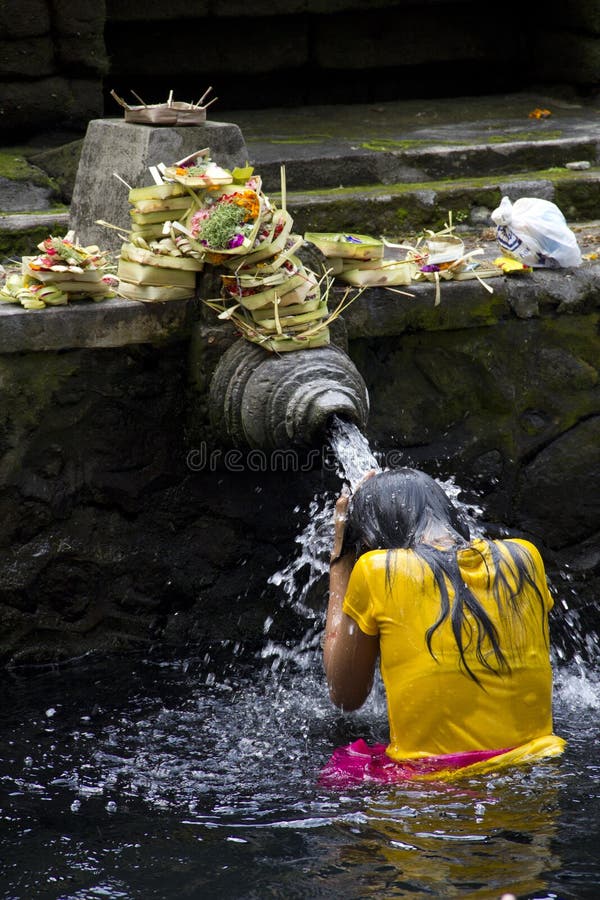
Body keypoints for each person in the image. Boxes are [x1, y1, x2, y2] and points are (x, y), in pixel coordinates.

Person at [321, 467, 566, 785]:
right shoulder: (525, 559)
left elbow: (345, 695)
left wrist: (340, 558)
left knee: (339, 774)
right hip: (538, 766)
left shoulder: (377, 570)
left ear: (370, 537)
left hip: (434, 784)